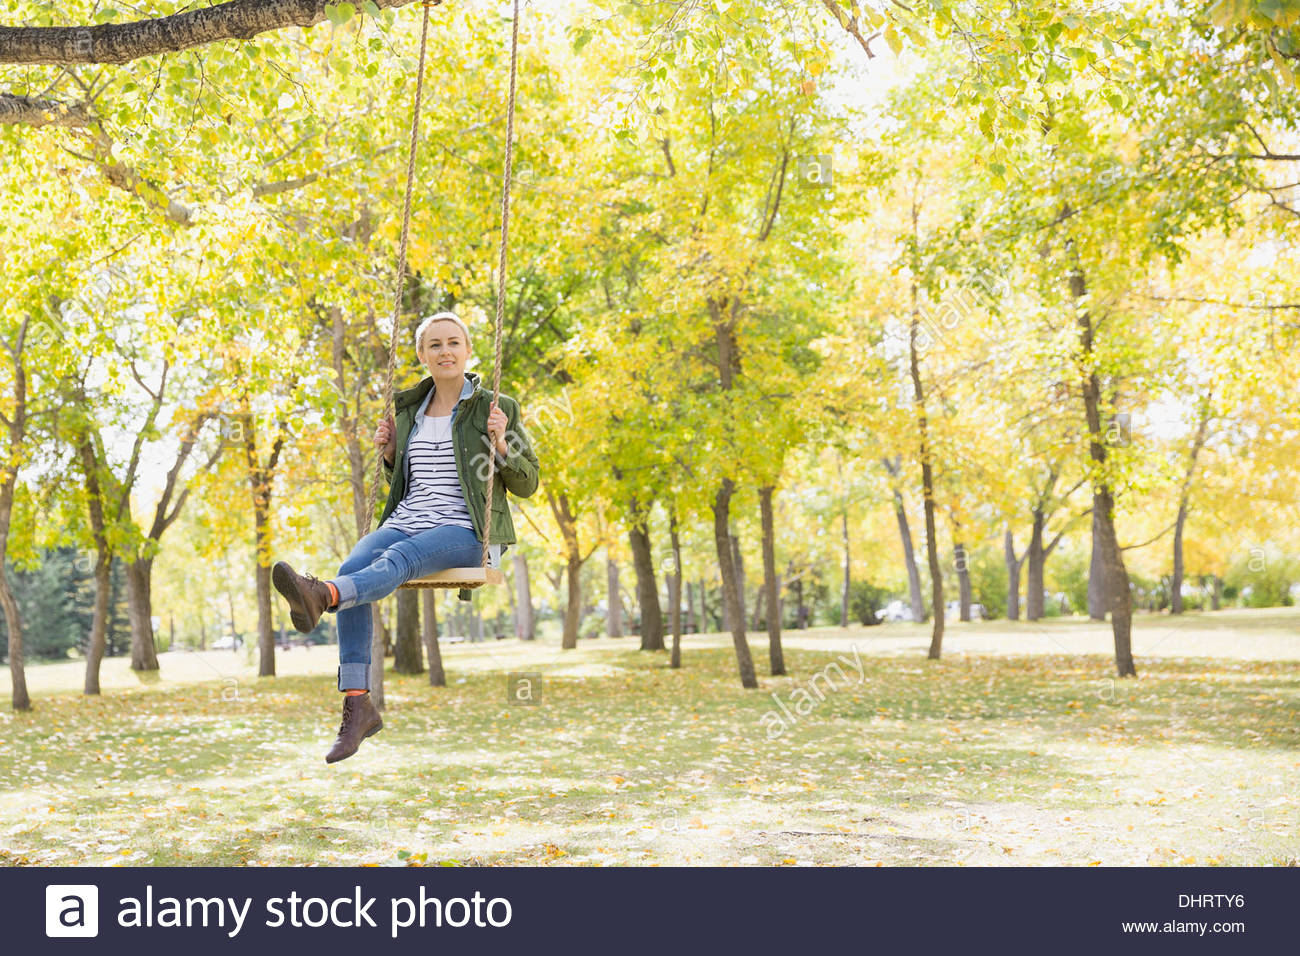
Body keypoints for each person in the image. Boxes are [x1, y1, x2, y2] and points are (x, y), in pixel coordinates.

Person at [272, 311, 539, 763]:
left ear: (468, 349)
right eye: (435, 345)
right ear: (422, 355)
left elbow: (527, 483)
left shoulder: (497, 406)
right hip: (408, 517)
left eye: (454, 342)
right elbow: (410, 482)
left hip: (466, 529)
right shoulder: (409, 409)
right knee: (353, 567)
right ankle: (358, 704)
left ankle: (323, 596)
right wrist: (392, 454)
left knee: (397, 557)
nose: (445, 351)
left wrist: (501, 445)